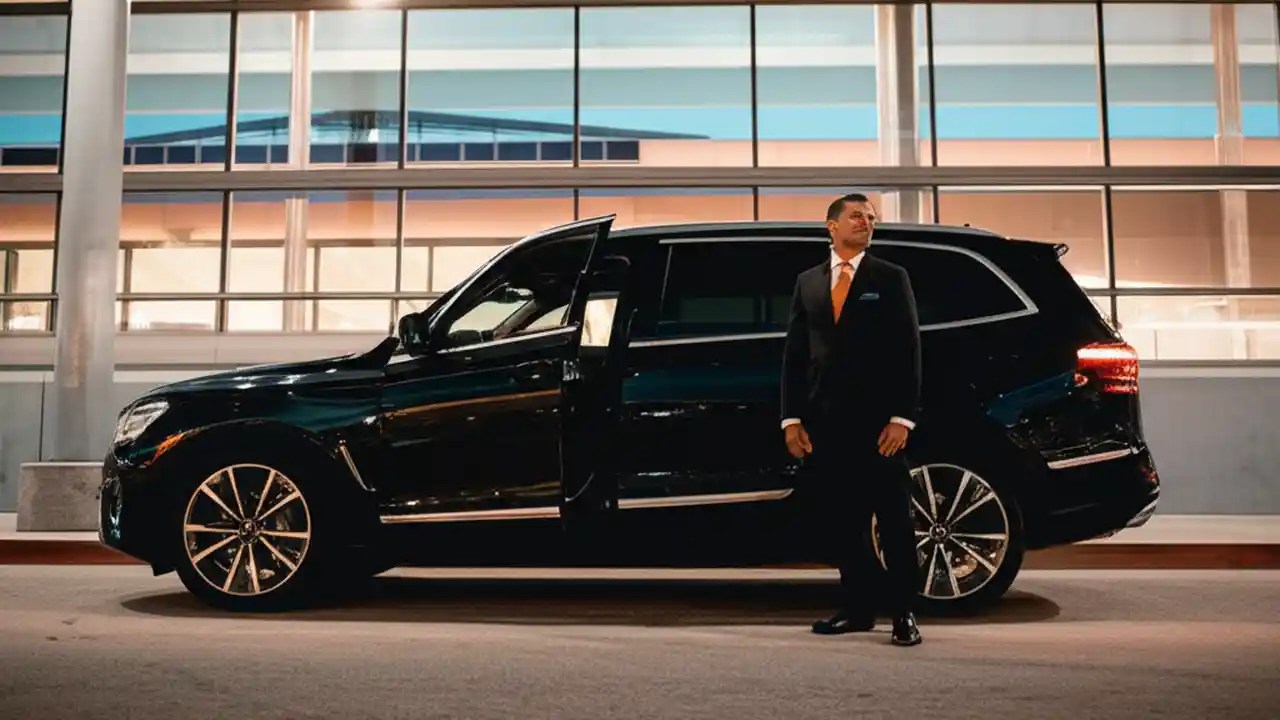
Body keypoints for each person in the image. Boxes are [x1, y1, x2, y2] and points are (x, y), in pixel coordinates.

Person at [781, 192, 923, 646]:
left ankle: (904, 613)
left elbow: (909, 350)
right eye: (857, 216)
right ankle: (859, 609)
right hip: (825, 424)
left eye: (871, 218)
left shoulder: (891, 277)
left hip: (879, 424)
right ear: (831, 226)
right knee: (844, 521)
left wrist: (902, 417)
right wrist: (791, 419)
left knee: (894, 520)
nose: (867, 222)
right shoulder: (808, 282)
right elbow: (795, 355)